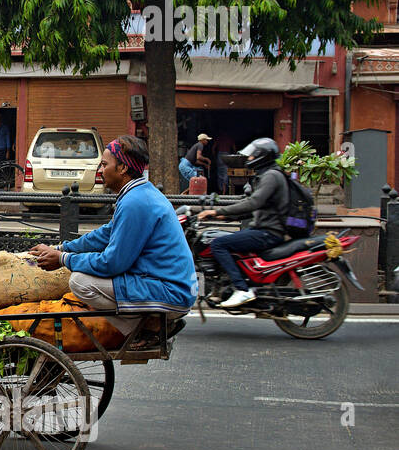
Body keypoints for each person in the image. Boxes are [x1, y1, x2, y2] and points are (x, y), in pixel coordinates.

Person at [29, 135, 195, 346]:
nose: (100, 170)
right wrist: (61, 248)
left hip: (170, 291)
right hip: (168, 285)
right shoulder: (140, 193)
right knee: (83, 274)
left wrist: (63, 259)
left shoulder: (135, 202)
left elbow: (112, 263)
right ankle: (147, 325)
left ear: (123, 168)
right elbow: (104, 235)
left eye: (105, 164)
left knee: (80, 282)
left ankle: (148, 328)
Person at [196, 137, 288, 308]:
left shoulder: (271, 176)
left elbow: (253, 203)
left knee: (218, 244)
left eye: (253, 156)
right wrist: (225, 217)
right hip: (265, 229)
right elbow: (254, 209)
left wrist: (217, 211)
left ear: (263, 156)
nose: (250, 159)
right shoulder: (269, 174)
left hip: (267, 232)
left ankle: (241, 289)